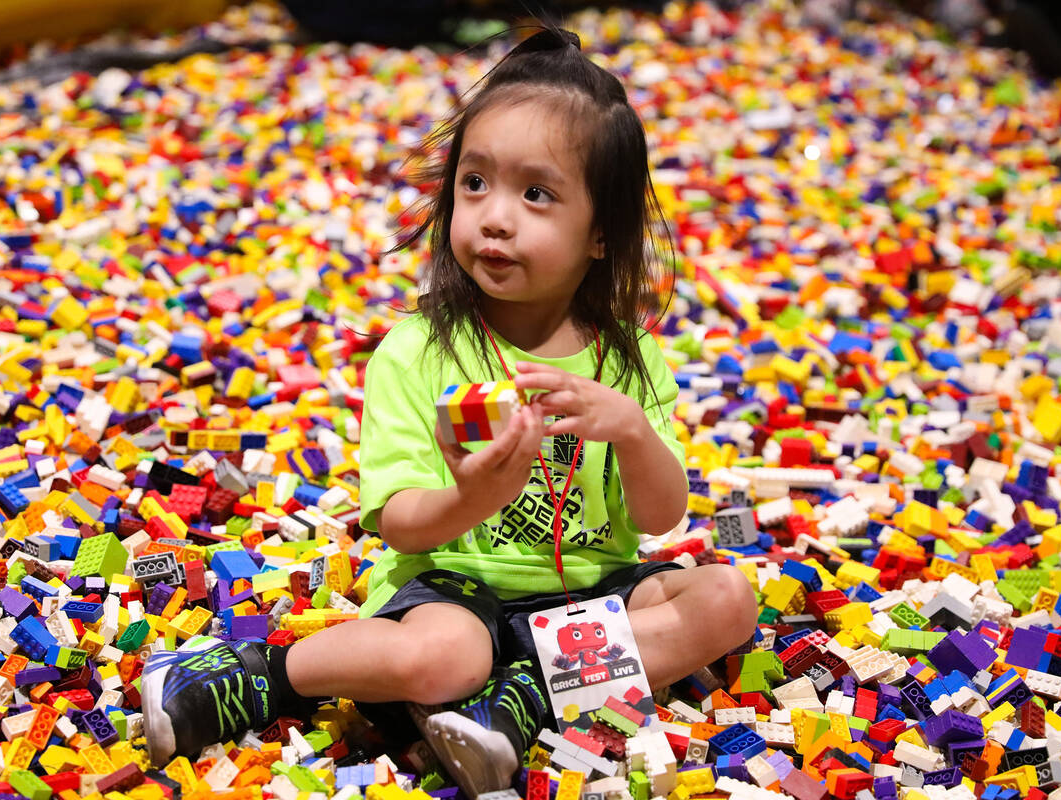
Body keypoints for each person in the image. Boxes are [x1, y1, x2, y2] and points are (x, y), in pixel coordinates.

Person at [141, 27, 757, 797]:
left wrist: (631, 430)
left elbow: (664, 518)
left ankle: (525, 695)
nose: (494, 218)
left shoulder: (624, 357)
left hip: (590, 597)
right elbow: (399, 521)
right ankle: (258, 676)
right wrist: (474, 496)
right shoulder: (418, 350)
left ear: (601, 232)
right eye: (475, 184)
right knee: (447, 658)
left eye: (536, 194)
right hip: (453, 588)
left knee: (727, 599)